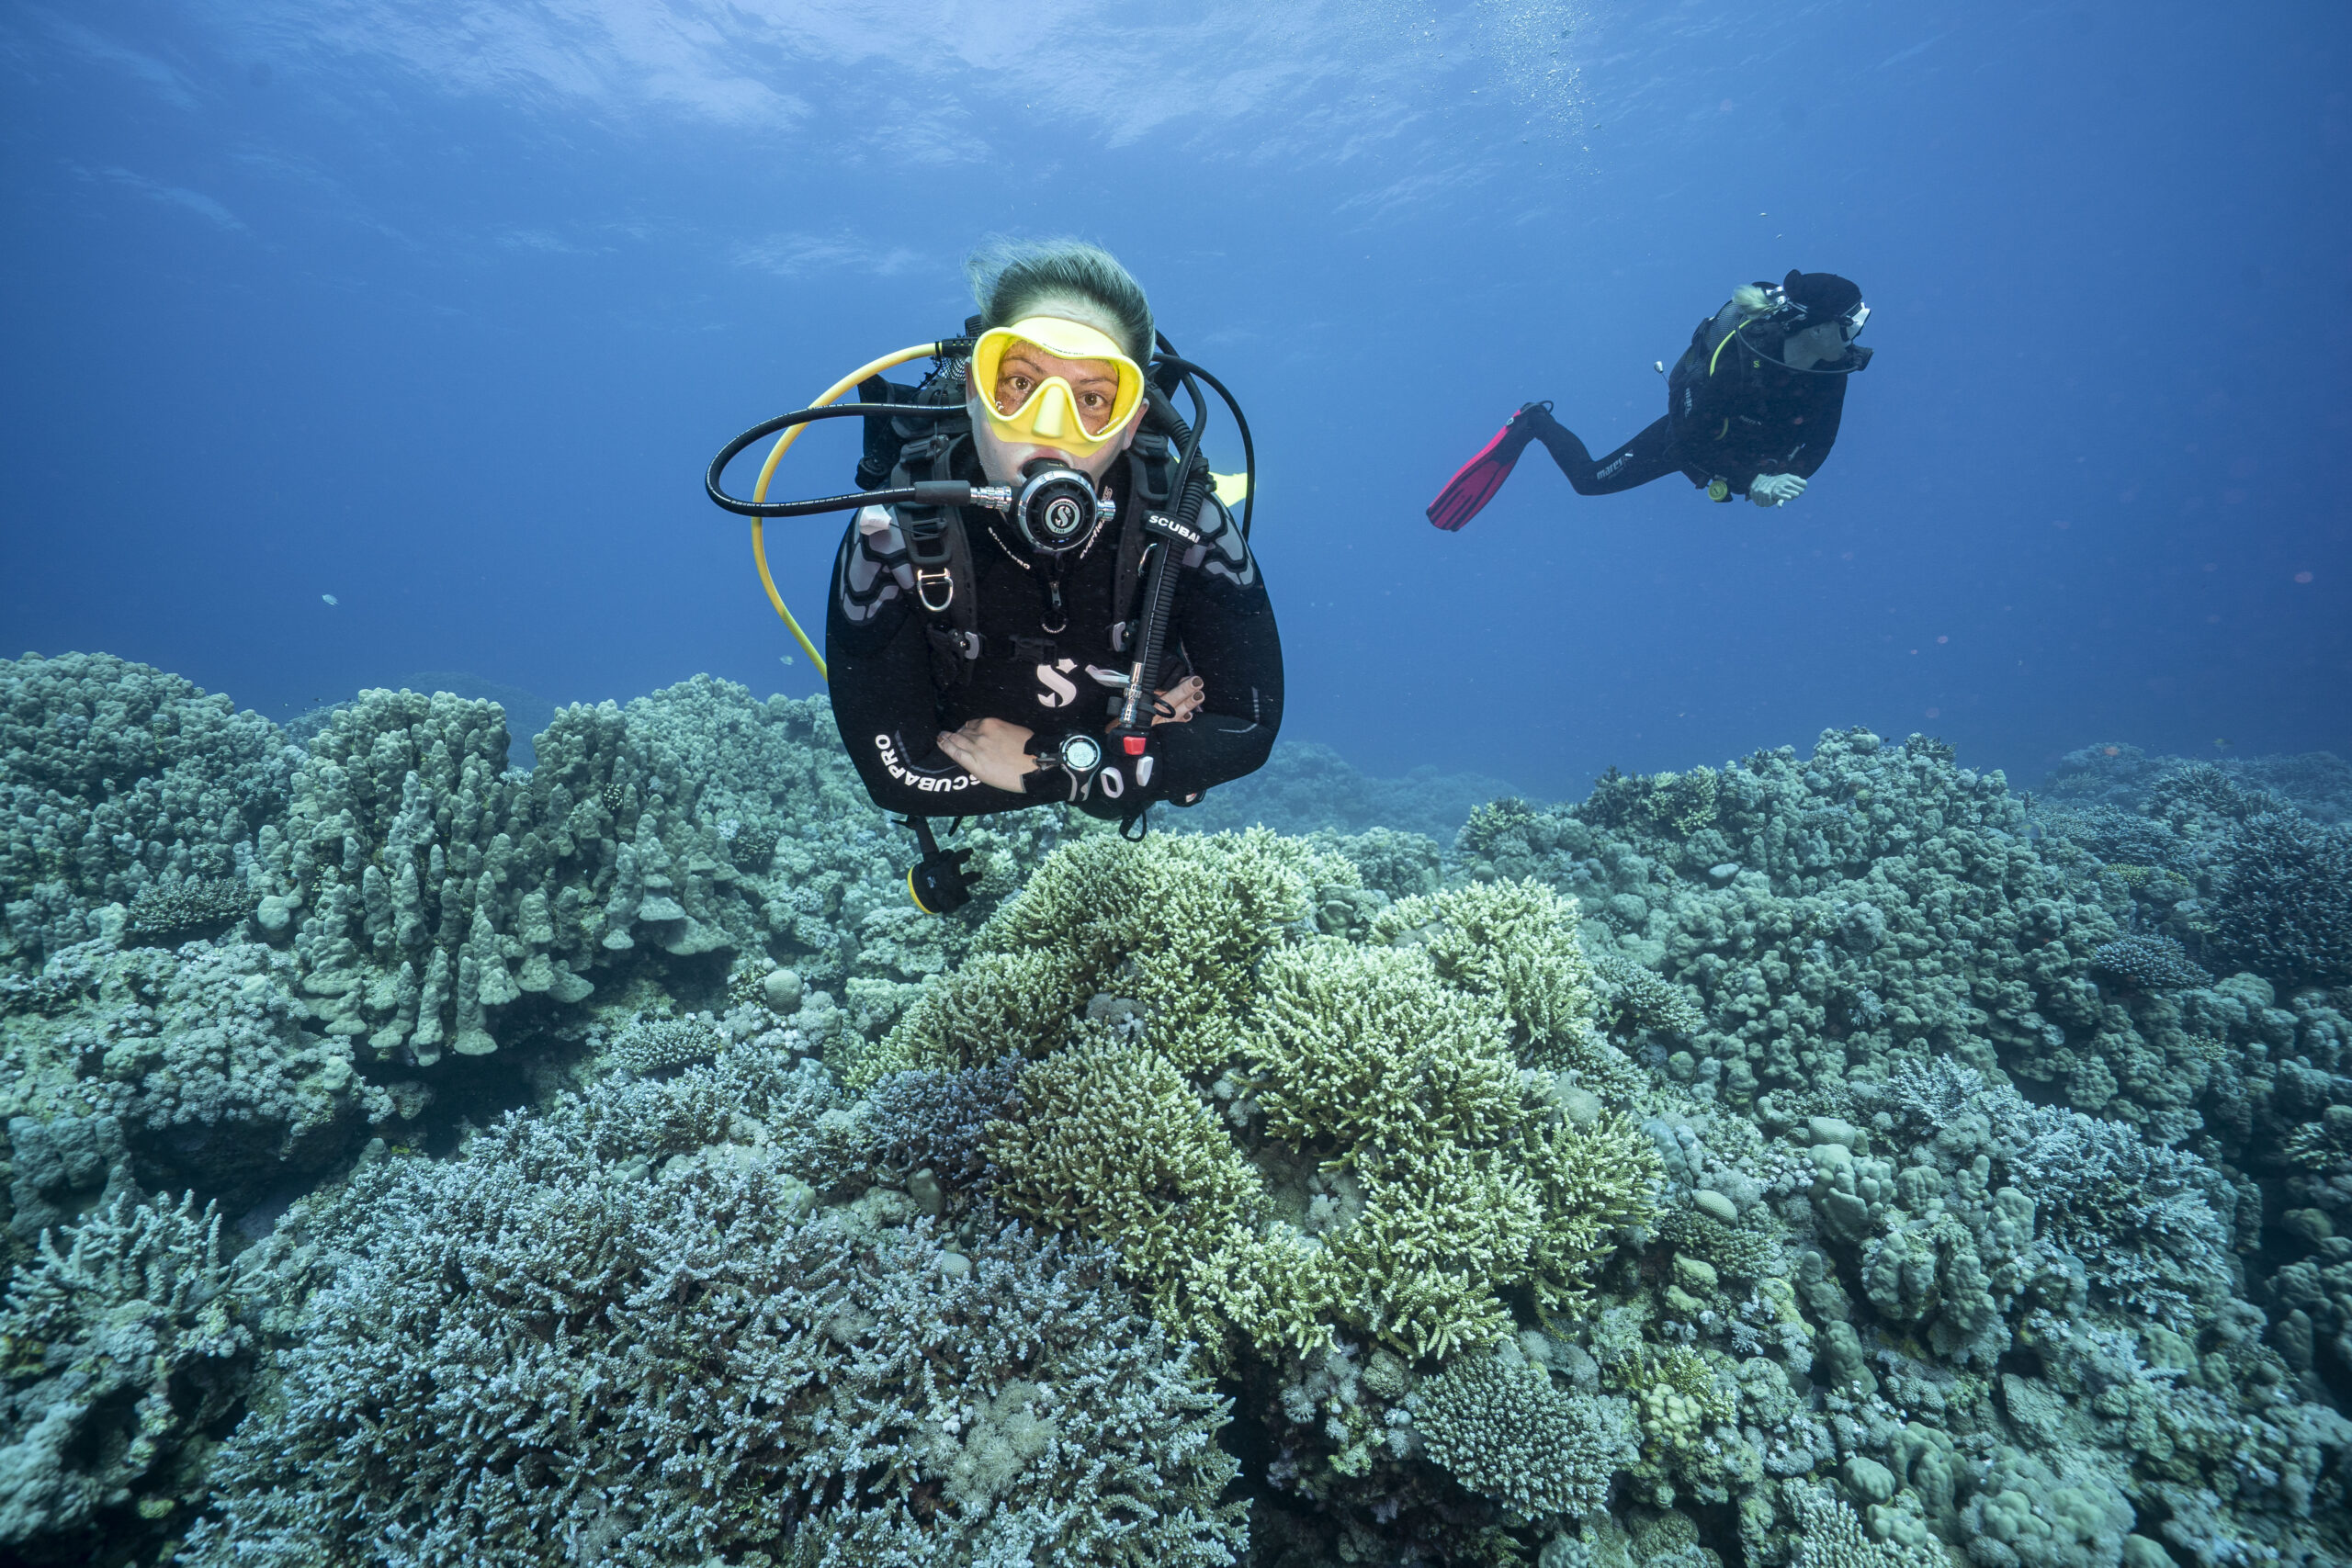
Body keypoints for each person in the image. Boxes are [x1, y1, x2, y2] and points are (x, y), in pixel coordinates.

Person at [826, 241, 1282, 880]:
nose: (1050, 427)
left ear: (1131, 424)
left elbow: (1249, 728)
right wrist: (1132, 767)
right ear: (975, 390)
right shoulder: (892, 536)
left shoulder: (1184, 519)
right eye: (1019, 383)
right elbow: (895, 777)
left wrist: (1056, 763)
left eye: (1093, 399)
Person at [1427, 269, 1872, 530]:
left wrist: (1785, 478)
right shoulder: (1735, 365)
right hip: (1691, 436)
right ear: (1816, 328)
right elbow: (1690, 441)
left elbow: (1820, 441)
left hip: (1755, 452)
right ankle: (1533, 421)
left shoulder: (1834, 366)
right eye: (1850, 324)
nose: (1856, 336)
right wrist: (1751, 481)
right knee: (1589, 481)